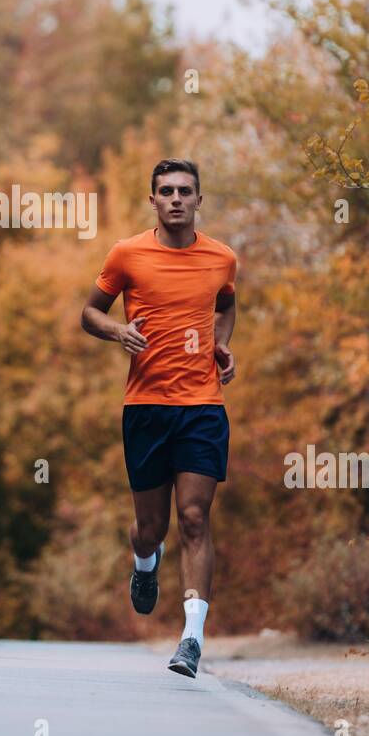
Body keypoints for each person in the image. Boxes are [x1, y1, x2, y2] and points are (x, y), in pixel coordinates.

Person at [80, 159, 237, 677]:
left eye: (184, 191)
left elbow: (227, 304)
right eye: (166, 191)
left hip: (201, 406)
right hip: (145, 408)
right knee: (152, 526)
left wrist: (222, 345)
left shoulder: (221, 258)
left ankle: (191, 639)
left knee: (195, 517)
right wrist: (116, 333)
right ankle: (145, 562)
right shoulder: (127, 254)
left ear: (198, 199)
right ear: (153, 200)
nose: (175, 199)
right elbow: (90, 312)